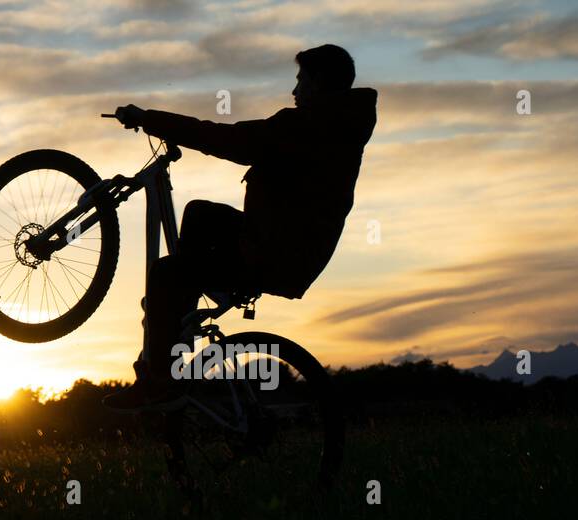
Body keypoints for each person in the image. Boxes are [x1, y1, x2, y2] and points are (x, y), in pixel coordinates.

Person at [101, 43, 377, 412]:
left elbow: (226, 139)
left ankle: (160, 381)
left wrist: (150, 118)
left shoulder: (306, 127)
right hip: (287, 246)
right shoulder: (343, 125)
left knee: (166, 273)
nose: (294, 92)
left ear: (319, 82)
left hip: (272, 255)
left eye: (301, 81)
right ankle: (178, 315)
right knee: (201, 213)